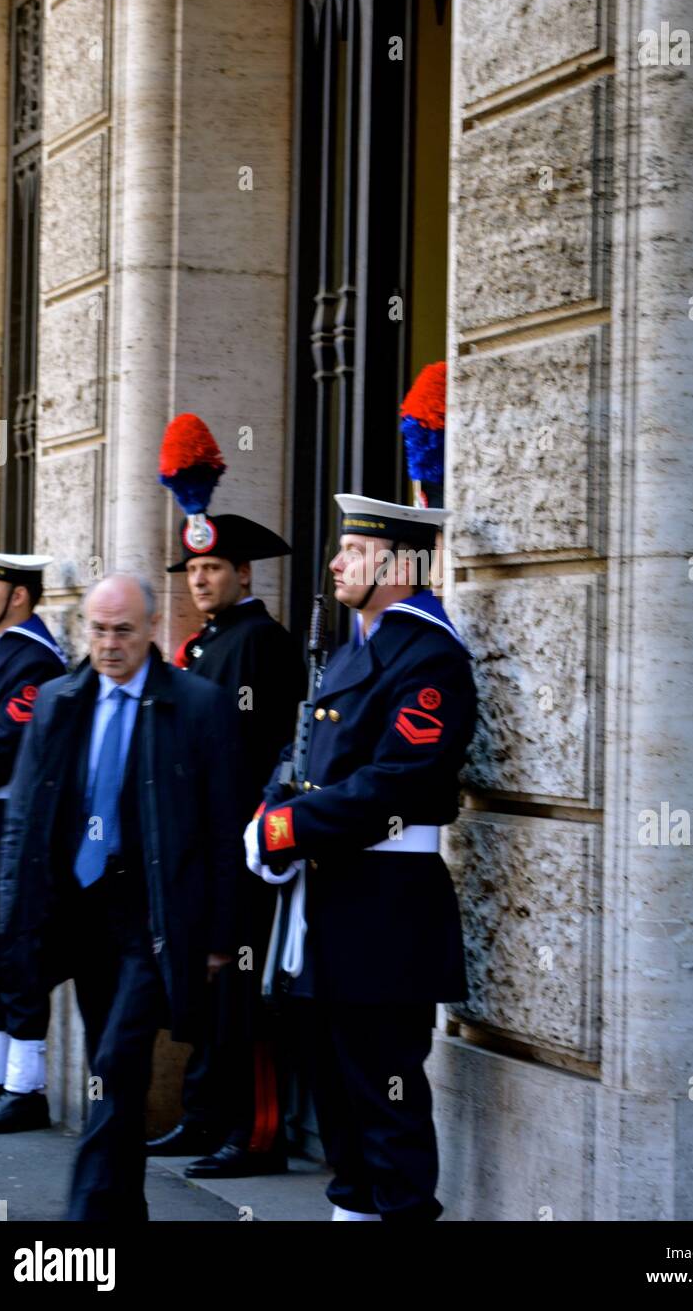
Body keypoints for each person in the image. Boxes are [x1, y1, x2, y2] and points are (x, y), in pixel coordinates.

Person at [245, 493, 476, 1221]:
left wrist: (285, 831)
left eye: (355, 550)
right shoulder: (356, 647)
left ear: (401, 563)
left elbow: (395, 781)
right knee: (336, 1091)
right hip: (329, 897)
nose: (337, 561)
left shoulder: (430, 655)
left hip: (385, 902)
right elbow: (306, 754)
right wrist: (271, 811)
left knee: (385, 1093)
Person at [0, 574, 239, 1221]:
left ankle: (87, 1222)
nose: (108, 645)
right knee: (116, 1066)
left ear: (151, 629)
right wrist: (12, 915)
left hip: (153, 917)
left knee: (116, 1055)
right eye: (98, 630)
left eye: (122, 630)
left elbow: (222, 830)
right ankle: (123, 1209)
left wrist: (218, 937)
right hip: (79, 915)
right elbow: (23, 814)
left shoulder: (197, 705)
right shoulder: (58, 700)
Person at [146, 513, 305, 1178]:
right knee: (209, 991)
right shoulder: (204, 646)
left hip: (245, 842)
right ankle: (206, 1114)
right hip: (203, 845)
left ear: (244, 573)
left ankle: (258, 1132)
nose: (201, 580)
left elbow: (256, 753)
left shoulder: (262, 642)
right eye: (194, 570)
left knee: (246, 991)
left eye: (214, 569)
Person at [0, 549, 65, 1134]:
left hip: (8, 829)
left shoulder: (33, 661)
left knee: (16, 959)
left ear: (18, 596)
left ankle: (27, 1087)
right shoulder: (2, 651)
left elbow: (1, 748)